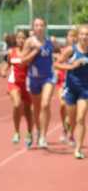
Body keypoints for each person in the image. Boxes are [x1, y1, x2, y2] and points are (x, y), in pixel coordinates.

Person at [54, 24, 88, 159]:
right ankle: (69, 131)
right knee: (72, 120)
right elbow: (56, 64)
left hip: (85, 90)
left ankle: (78, 149)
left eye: (87, 34)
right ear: (78, 36)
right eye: (82, 34)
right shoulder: (71, 50)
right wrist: (72, 66)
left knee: (81, 118)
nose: (85, 37)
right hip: (71, 89)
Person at [23, 17, 57, 149]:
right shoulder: (29, 42)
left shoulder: (50, 41)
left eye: (41, 25)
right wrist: (35, 51)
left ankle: (43, 136)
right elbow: (23, 60)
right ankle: (38, 130)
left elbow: (60, 52)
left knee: (45, 104)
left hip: (48, 77)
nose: (39, 28)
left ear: (45, 27)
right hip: (34, 78)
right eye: (36, 25)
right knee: (36, 108)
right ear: (33, 27)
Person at [4, 32, 33, 147]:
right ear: (16, 40)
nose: (21, 40)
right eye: (19, 38)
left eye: (23, 38)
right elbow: (8, 64)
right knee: (17, 104)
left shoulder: (31, 52)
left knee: (27, 111)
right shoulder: (11, 52)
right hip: (14, 83)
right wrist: (3, 70)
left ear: (27, 40)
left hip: (27, 85)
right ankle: (16, 132)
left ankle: (29, 132)